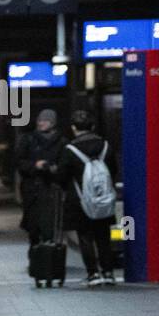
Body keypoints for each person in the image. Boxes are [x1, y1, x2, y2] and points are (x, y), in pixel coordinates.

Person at [54, 112, 116, 286]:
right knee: (104, 236)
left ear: (74, 128)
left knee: (85, 237)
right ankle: (109, 272)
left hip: (79, 200)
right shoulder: (105, 145)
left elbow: (61, 176)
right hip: (103, 197)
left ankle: (93, 274)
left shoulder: (70, 150)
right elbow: (113, 169)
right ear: (93, 127)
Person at [15, 109, 64, 249]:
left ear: (53, 123)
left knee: (49, 223)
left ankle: (46, 255)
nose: (41, 123)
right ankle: (36, 253)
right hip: (32, 188)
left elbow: (65, 164)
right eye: (40, 120)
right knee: (33, 223)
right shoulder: (28, 139)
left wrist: (55, 169)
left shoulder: (61, 142)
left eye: (46, 121)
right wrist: (34, 165)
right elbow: (18, 161)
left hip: (51, 188)